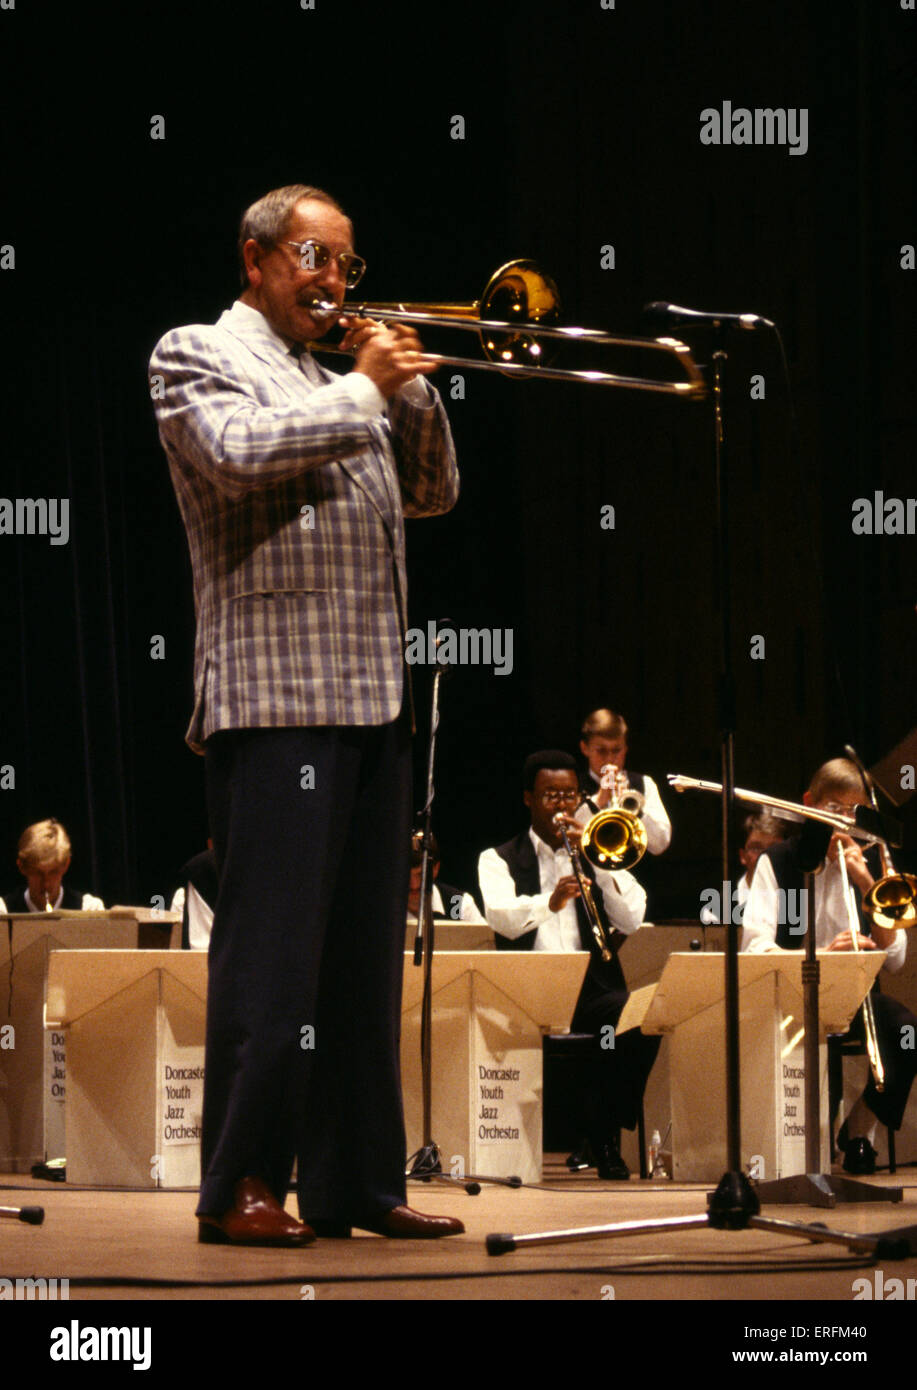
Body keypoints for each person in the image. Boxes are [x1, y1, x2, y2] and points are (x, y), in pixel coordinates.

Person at [150, 183, 462, 1245]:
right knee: (274, 962)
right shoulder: (194, 353)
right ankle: (242, 1181)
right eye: (311, 256)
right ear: (255, 257)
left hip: (372, 702)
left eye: (343, 263)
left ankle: (355, 1181)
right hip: (275, 699)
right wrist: (367, 392)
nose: (331, 280)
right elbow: (238, 455)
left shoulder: (346, 381)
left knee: (358, 970)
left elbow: (432, 495)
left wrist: (410, 389)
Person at [478, 750, 659, 1179]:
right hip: (524, 989)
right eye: (550, 796)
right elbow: (499, 915)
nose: (561, 805)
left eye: (569, 795)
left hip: (590, 991)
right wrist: (550, 903)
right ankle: (585, 1134)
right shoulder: (498, 856)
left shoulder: (594, 848)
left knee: (641, 1019)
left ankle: (604, 1135)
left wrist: (598, 864)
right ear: (528, 798)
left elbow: (633, 917)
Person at [742, 757, 917, 1175]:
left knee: (907, 1032)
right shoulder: (778, 861)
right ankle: (805, 1153)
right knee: (816, 1049)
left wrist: (866, 884)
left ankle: (858, 1132)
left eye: (856, 811)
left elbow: (895, 961)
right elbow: (754, 946)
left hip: (857, 998)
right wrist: (820, 957)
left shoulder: (872, 863)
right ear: (809, 803)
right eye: (835, 808)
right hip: (794, 999)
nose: (846, 821)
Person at [578, 708, 671, 856]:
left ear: (625, 749)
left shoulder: (644, 784)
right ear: (585, 748)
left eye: (616, 751)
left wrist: (635, 810)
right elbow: (567, 841)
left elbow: (661, 844)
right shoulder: (573, 785)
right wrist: (599, 801)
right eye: (601, 751)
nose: (609, 759)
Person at [699, 811, 788, 924]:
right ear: (743, 856)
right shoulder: (718, 907)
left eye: (774, 849)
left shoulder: (796, 900)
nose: (765, 857)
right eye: (756, 848)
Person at [0, 819, 104, 914]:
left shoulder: (89, 909)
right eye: (38, 873)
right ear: (22, 867)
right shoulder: (3, 911)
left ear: (66, 865)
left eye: (53, 872)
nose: (46, 883)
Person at [407, 833, 487, 925]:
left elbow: (483, 938)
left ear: (436, 868)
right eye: (406, 876)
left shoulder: (456, 903)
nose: (414, 885)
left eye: (421, 874)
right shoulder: (387, 909)